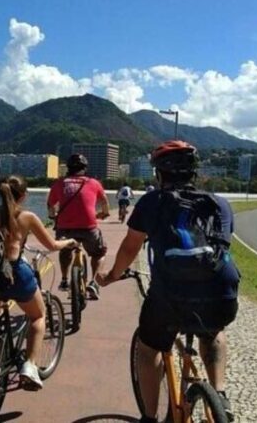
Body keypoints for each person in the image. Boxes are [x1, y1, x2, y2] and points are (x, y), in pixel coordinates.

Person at [97, 141, 240, 422]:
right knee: (212, 332)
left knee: (148, 347)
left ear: (159, 173)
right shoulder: (220, 204)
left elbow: (130, 248)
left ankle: (149, 417)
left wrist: (111, 276)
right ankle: (219, 395)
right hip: (221, 293)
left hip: (170, 296)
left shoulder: (152, 202)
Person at [0, 176, 77, 390]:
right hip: (15, 273)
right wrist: (69, 242)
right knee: (38, 316)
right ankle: (29, 366)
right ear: (24, 195)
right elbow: (52, 245)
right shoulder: (26, 217)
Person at [47, 154, 111, 299]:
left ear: (68, 168)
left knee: (65, 250)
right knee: (98, 253)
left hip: (65, 227)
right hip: (88, 227)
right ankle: (93, 283)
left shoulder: (59, 183)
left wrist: (53, 216)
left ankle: (64, 280)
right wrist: (103, 214)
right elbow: (105, 203)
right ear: (85, 168)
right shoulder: (94, 183)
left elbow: (51, 206)